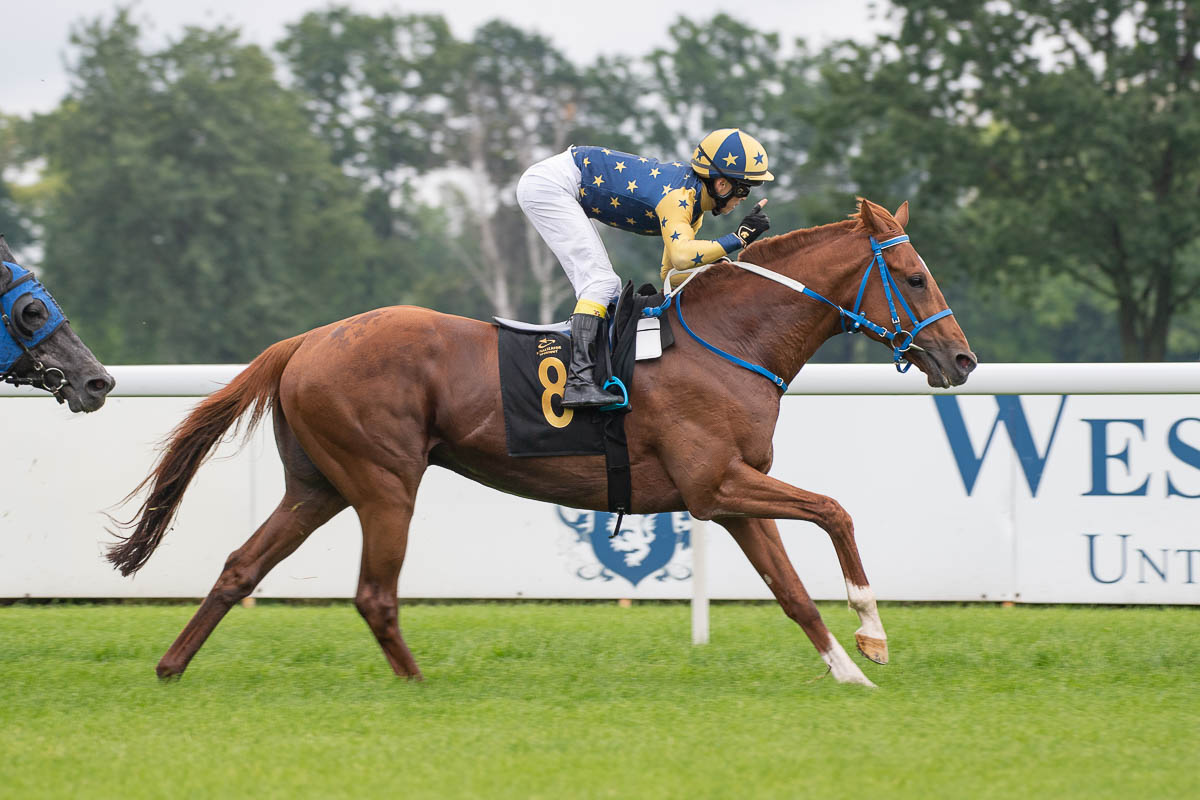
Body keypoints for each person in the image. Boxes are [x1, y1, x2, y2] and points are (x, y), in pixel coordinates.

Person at [516, 128, 774, 407]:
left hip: (560, 182)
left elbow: (671, 273)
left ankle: (592, 375)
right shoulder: (679, 198)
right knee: (602, 284)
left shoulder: (693, 207)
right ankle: (579, 382)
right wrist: (736, 239)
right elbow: (683, 255)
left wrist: (718, 269)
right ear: (722, 184)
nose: (744, 198)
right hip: (551, 185)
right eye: (744, 188)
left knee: (607, 288)